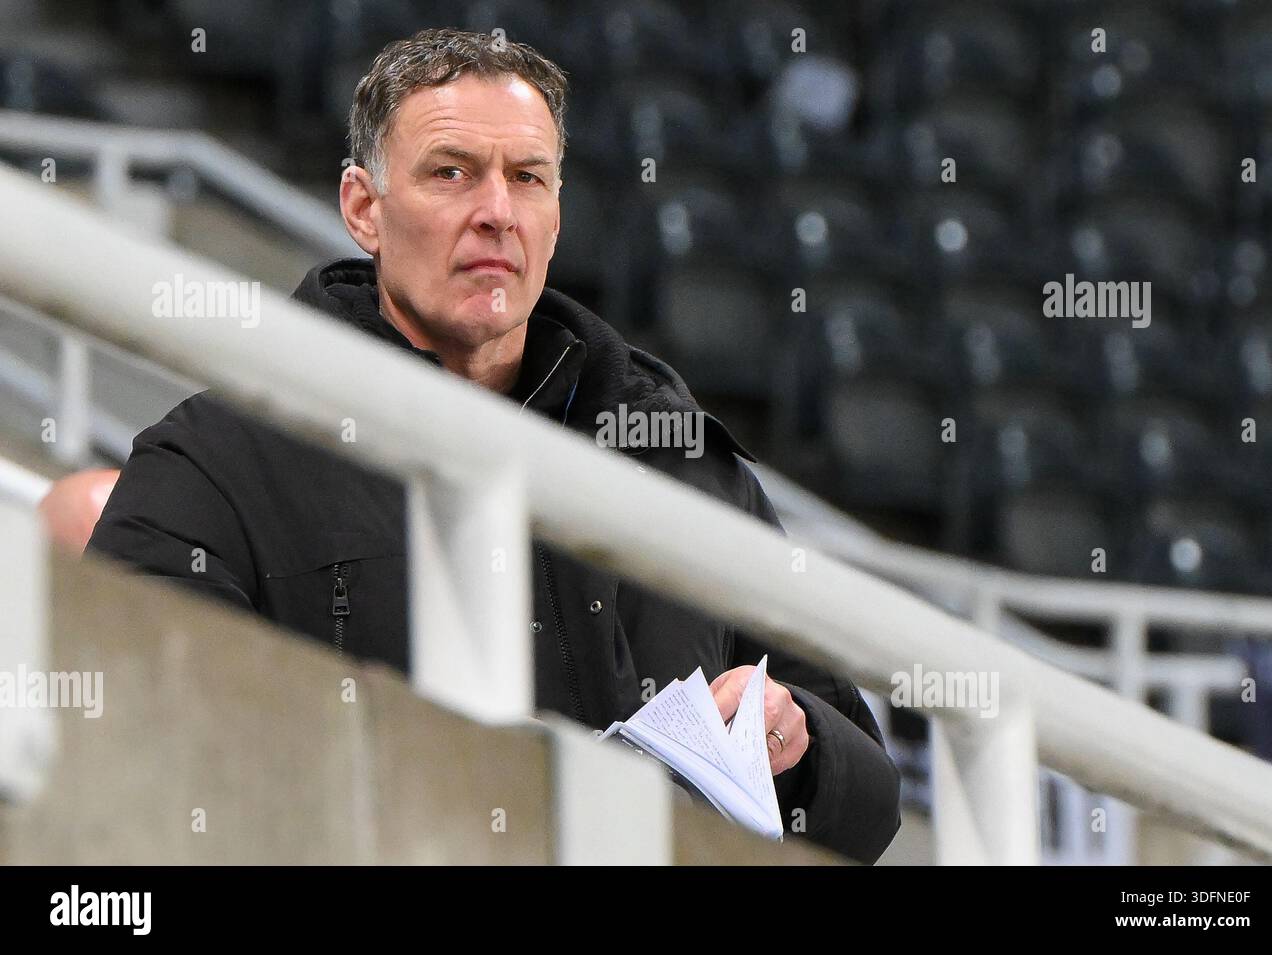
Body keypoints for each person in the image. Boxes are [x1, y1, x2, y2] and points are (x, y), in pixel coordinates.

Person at [87, 28, 900, 863]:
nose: (496, 212)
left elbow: (870, 801)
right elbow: (140, 735)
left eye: (527, 178)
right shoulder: (217, 457)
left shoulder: (677, 455)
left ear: (556, 215)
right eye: (451, 173)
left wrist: (797, 748)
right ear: (363, 207)